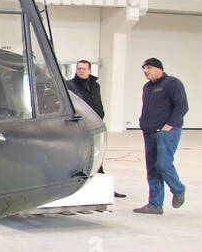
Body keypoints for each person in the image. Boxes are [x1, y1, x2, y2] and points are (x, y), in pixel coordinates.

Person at [134, 57, 188, 215]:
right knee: (152, 169)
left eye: (148, 67)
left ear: (159, 68)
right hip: (149, 131)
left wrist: (168, 126)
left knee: (163, 164)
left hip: (166, 132)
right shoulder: (147, 87)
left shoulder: (172, 83)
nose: (145, 71)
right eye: (144, 68)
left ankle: (178, 189)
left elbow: (182, 106)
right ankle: (155, 204)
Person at [66, 60, 125, 197]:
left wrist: (100, 117)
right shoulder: (70, 85)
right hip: (81, 126)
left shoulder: (95, 86)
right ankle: (96, 187)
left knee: (97, 156)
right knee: (87, 157)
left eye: (84, 69)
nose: (80, 71)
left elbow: (98, 103)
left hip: (95, 125)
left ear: (90, 71)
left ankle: (104, 186)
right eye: (79, 68)